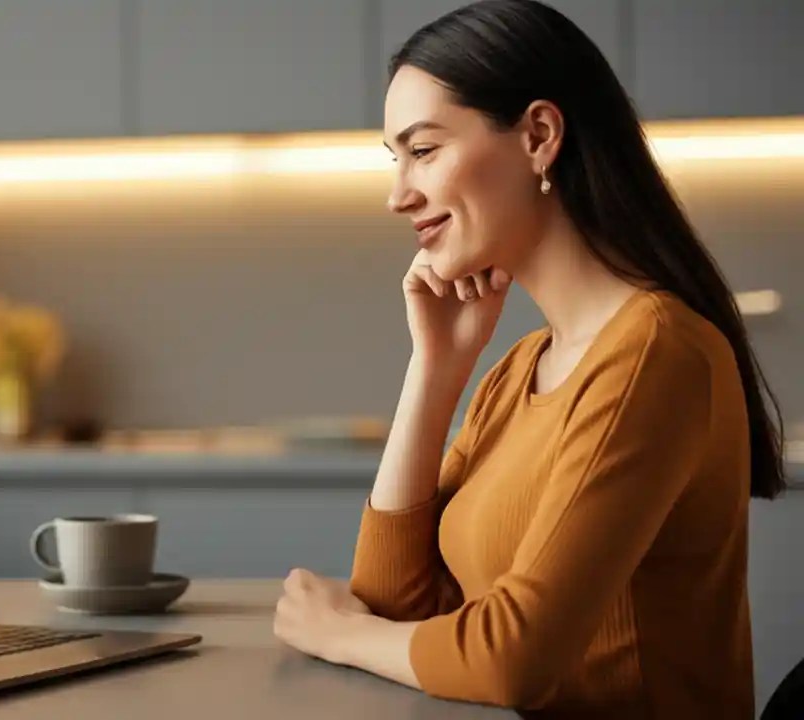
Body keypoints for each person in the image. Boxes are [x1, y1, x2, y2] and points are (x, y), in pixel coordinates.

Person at [271, 1, 786, 717]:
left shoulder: (655, 354)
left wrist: (338, 634)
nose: (398, 195)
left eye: (423, 151)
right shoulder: (521, 368)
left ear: (539, 136)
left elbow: (511, 660)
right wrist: (436, 372)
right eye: (396, 160)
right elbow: (396, 600)